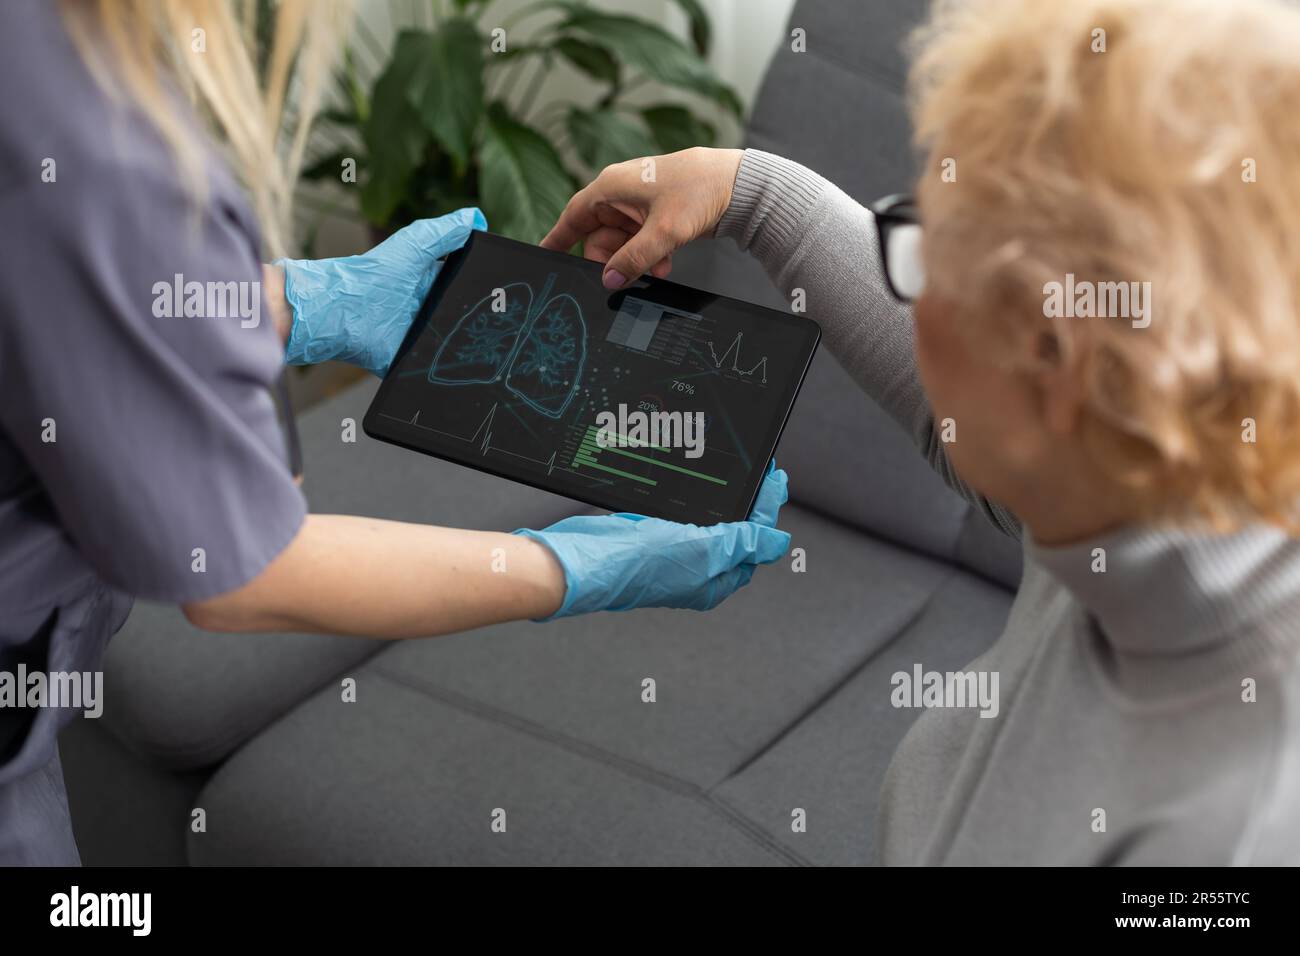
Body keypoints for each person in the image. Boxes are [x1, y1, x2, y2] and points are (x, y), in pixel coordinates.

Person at [0, 0, 789, 865]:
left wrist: (309, 300)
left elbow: (57, 295)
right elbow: (243, 575)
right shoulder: (85, 124)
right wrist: (573, 567)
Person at [543, 0, 1300, 863]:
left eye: (929, 252)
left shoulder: (1237, 836)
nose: (905, 286)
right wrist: (751, 192)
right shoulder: (1158, 470)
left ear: (1061, 369)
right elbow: (983, 426)